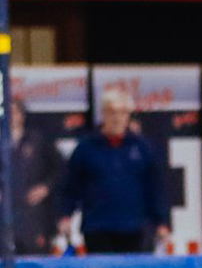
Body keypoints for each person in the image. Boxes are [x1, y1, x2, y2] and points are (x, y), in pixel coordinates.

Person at [57, 89, 170, 254]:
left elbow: (155, 188)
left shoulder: (143, 148)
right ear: (103, 114)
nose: (116, 118)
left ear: (128, 116)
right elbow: (70, 186)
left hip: (136, 228)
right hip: (97, 228)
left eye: (122, 112)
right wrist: (65, 215)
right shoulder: (86, 148)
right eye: (111, 112)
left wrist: (162, 222)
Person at [8, 95, 65, 255]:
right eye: (8, 112)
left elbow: (60, 169)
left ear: (22, 114)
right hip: (4, 214)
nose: (12, 116)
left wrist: (46, 187)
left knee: (34, 261)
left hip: (34, 216)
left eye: (15, 112)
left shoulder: (38, 140)